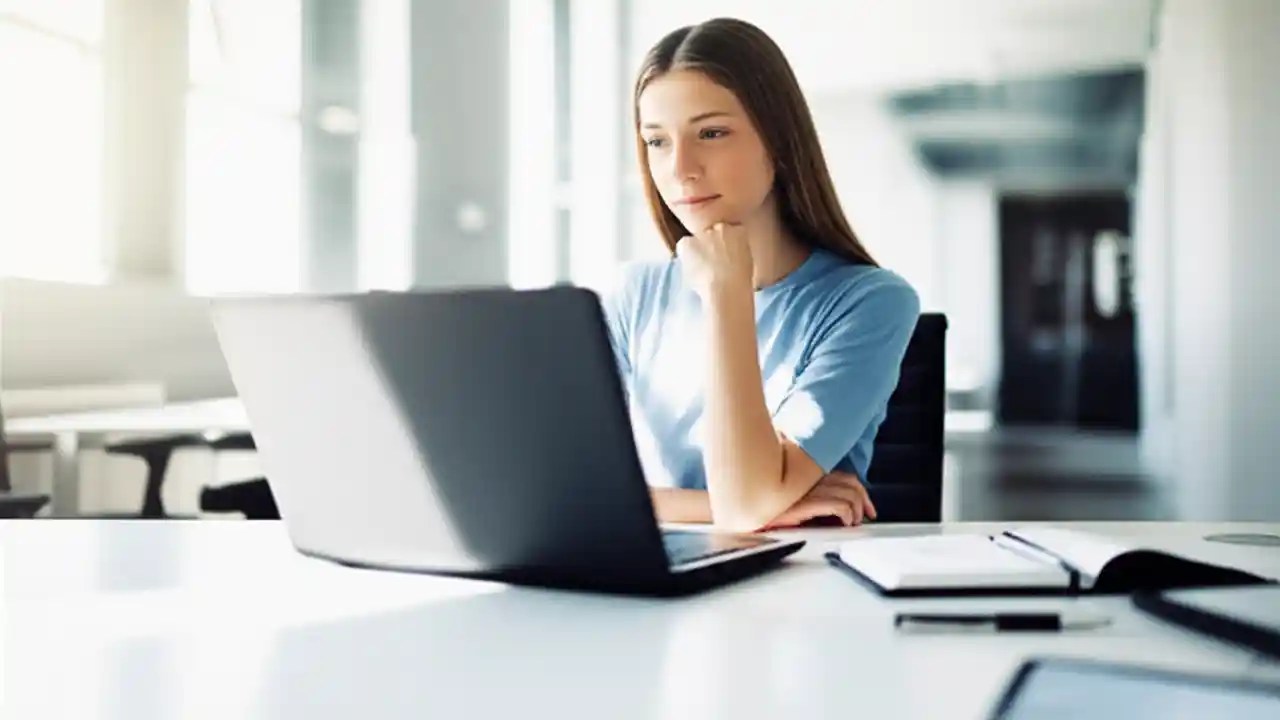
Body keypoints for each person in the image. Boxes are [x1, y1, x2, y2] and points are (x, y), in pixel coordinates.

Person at [603, 18, 920, 532]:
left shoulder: (871, 302)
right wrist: (757, 505)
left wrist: (727, 294)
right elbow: (563, 492)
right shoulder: (633, 294)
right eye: (657, 141)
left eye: (711, 133)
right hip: (655, 570)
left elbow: (744, 503)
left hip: (798, 575)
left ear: (777, 141)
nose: (680, 168)